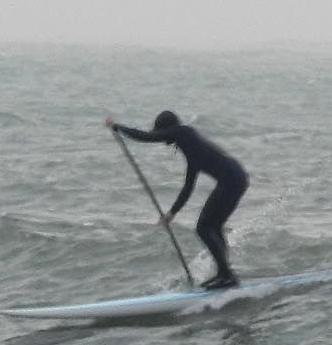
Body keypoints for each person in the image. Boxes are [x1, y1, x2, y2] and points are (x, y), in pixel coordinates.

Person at [106, 111, 248, 289]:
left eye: (161, 132)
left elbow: (148, 137)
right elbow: (187, 189)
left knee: (204, 227)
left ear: (168, 128)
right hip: (236, 179)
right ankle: (225, 273)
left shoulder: (184, 132)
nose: (163, 139)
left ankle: (227, 275)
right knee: (214, 226)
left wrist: (117, 127)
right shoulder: (191, 149)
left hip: (232, 181)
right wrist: (171, 213)